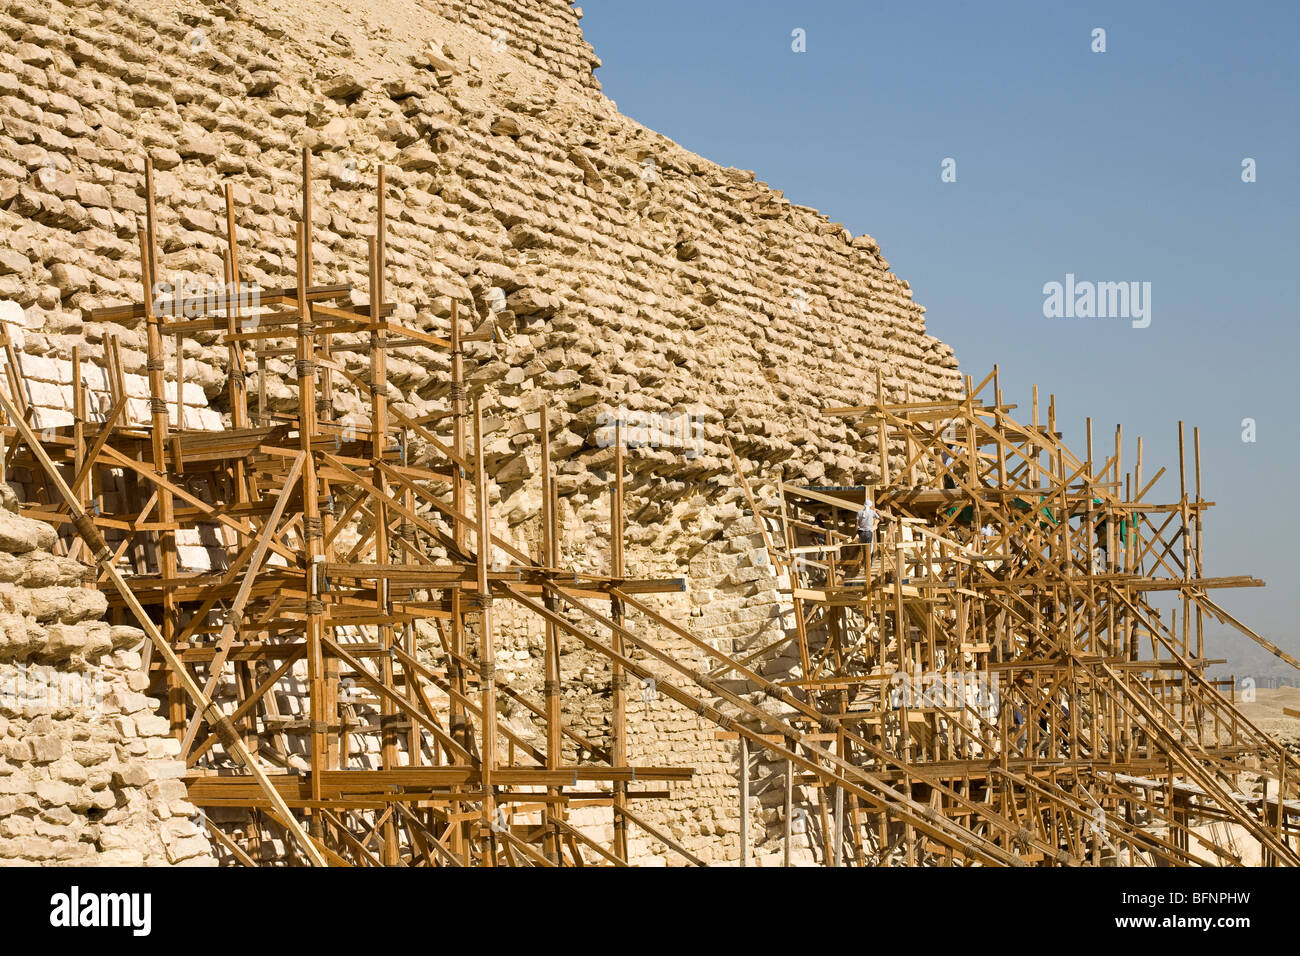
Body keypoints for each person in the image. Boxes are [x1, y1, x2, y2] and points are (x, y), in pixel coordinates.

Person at [856, 498, 879, 568]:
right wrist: (876, 521)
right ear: (870, 505)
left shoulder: (859, 512)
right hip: (869, 532)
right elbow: (880, 518)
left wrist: (857, 532)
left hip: (861, 532)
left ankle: (865, 564)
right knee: (870, 548)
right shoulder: (872, 512)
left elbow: (856, 524)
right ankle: (869, 565)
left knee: (863, 549)